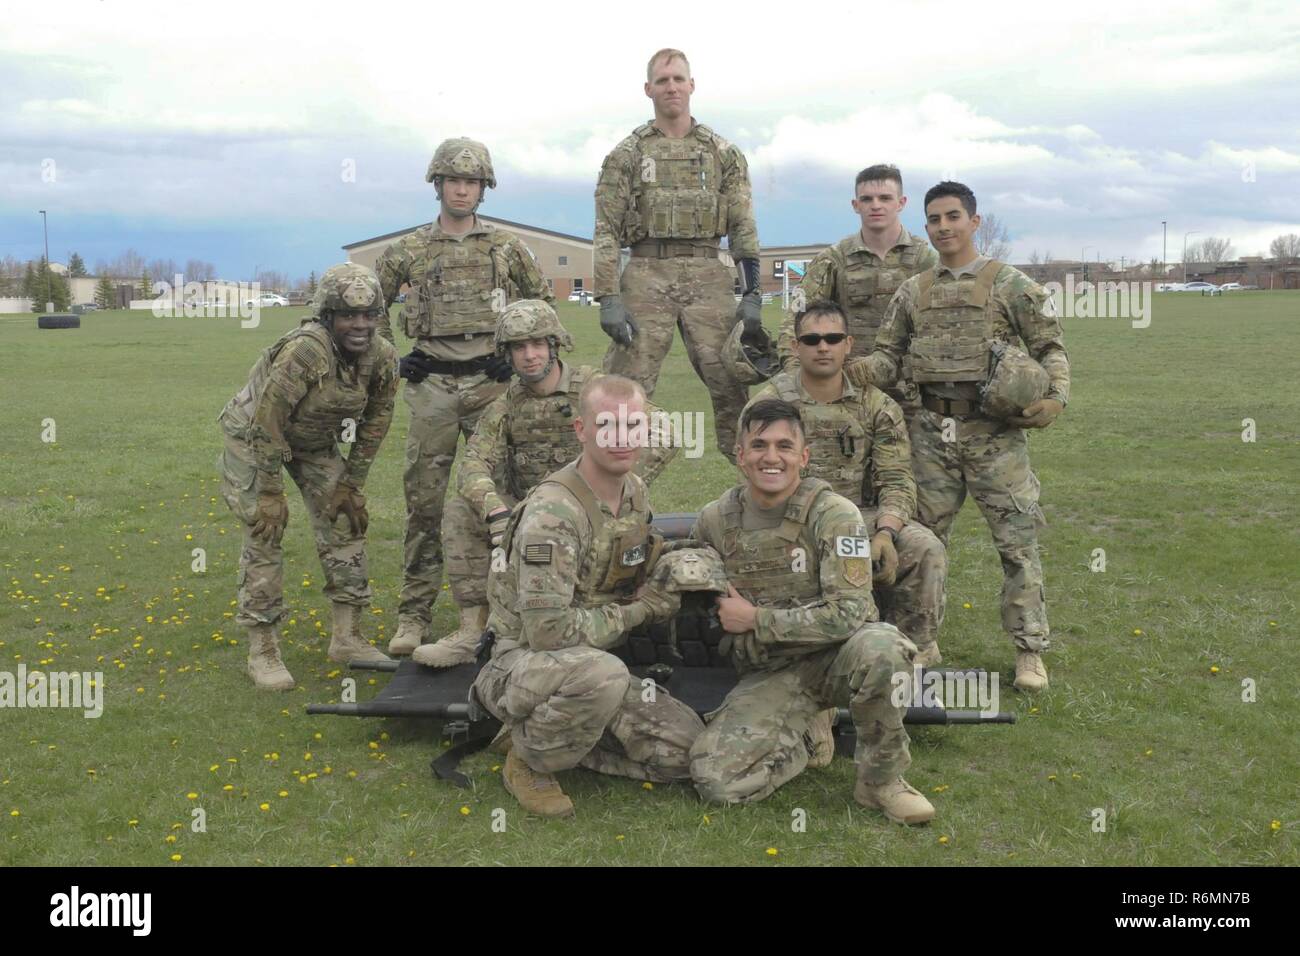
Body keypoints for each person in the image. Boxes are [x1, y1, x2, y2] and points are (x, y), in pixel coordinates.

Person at [846, 181, 1070, 691]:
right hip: (929, 432)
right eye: (934, 220)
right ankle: (917, 644)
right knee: (920, 543)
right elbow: (887, 357)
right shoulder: (915, 291)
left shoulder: (1010, 284)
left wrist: (1056, 397)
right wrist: (842, 370)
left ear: (974, 221)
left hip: (994, 435)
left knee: (1016, 543)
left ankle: (1029, 650)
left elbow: (1050, 346)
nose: (943, 227)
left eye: (952, 217)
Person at [687, 399, 935, 824]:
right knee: (718, 783)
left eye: (784, 446)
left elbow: (850, 613)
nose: (771, 457)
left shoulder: (837, 515)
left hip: (837, 659)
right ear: (740, 454)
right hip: (770, 672)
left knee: (885, 647)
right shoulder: (714, 519)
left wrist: (755, 620)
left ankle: (882, 781)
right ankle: (803, 733)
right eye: (759, 444)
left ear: (803, 456)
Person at [472, 375, 704, 817]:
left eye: (633, 425)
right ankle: (529, 759)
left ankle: (554, 735)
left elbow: (632, 557)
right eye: (607, 425)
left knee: (686, 753)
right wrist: (640, 611)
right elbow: (549, 633)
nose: (622, 438)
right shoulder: (554, 513)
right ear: (582, 431)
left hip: (590, 659)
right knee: (603, 675)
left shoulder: (634, 491)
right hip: (521, 662)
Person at [414, 299, 679, 665]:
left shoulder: (591, 389)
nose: (529, 356)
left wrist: (617, 483)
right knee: (462, 509)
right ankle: (474, 627)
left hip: (592, 508)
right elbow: (472, 465)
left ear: (554, 345)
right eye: (519, 347)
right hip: (531, 512)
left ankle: (594, 613)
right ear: (507, 354)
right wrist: (496, 512)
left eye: (538, 344)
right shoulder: (507, 404)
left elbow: (663, 430)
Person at [374, 137, 555, 656]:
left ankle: (498, 612)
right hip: (432, 384)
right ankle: (414, 615)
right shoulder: (408, 249)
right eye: (453, 180)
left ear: (484, 189)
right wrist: (393, 357)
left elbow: (542, 307)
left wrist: (516, 350)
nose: (462, 189)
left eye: (471, 181)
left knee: (496, 498)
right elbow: (369, 308)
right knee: (424, 503)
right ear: (437, 185)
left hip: (492, 386)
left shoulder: (506, 248)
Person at [217, 263, 398, 690]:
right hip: (256, 436)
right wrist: (269, 491)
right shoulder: (306, 351)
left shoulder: (383, 357)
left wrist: (352, 485)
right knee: (265, 531)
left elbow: (377, 420)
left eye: (369, 315)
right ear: (328, 316)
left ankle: (347, 637)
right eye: (348, 315)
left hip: (313, 438)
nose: (359, 325)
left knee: (346, 521)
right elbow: (267, 422)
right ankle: (262, 647)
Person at [594, 47, 760, 461]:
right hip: (647, 272)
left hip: (708, 273)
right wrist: (609, 297)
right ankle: (613, 498)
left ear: (692, 85)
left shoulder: (723, 153)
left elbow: (742, 224)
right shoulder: (627, 154)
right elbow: (606, 229)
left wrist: (752, 292)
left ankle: (760, 494)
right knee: (626, 390)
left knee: (732, 387)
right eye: (663, 80)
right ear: (648, 89)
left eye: (678, 79)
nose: (672, 87)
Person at [776, 163, 936, 413]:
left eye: (885, 198)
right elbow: (795, 321)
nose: (876, 205)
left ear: (901, 202)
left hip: (913, 395)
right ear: (855, 205)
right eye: (867, 199)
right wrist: (798, 380)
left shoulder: (925, 260)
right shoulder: (834, 260)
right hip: (850, 393)